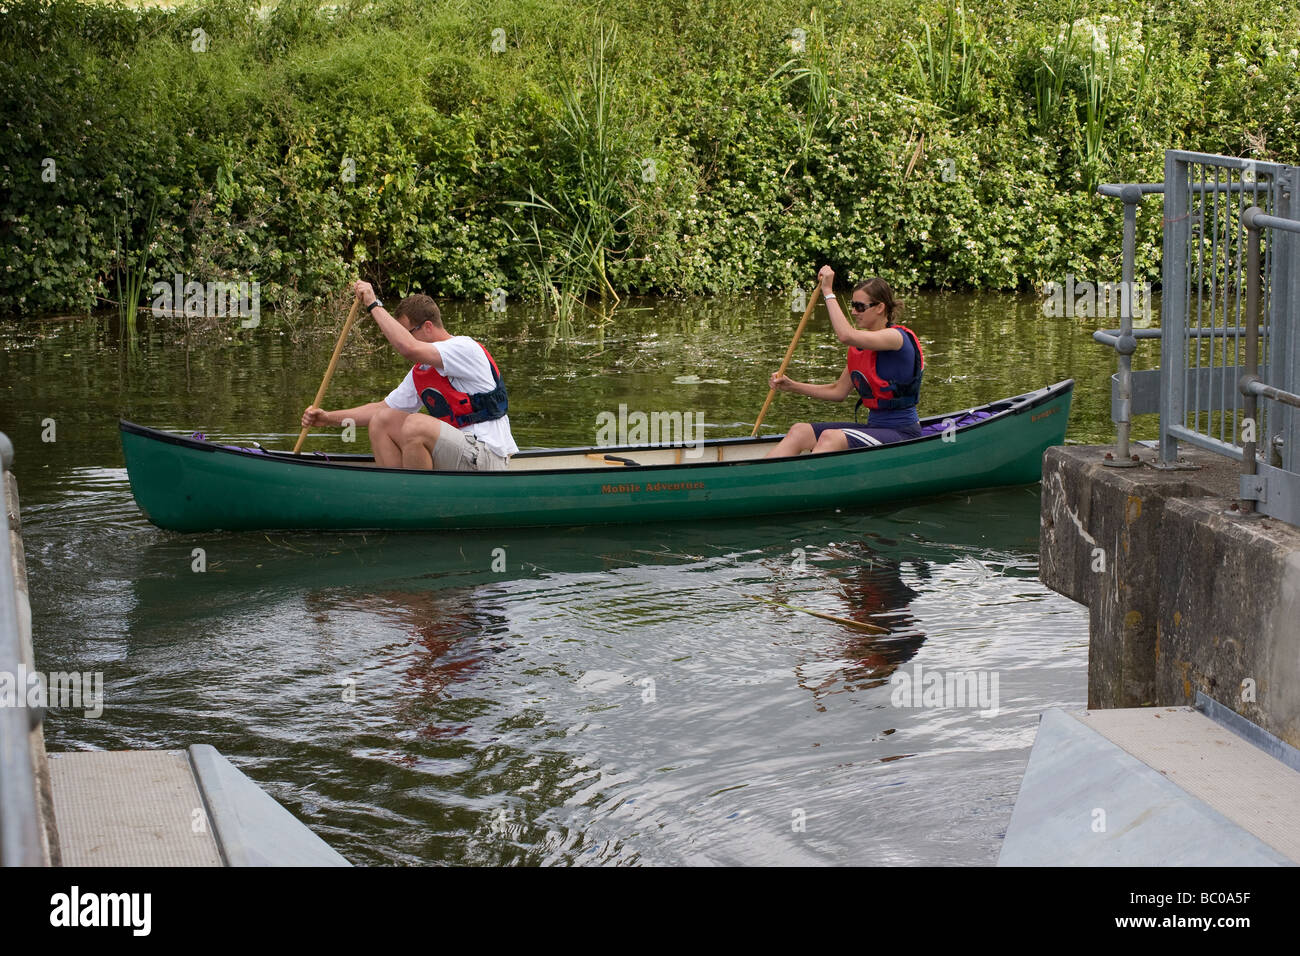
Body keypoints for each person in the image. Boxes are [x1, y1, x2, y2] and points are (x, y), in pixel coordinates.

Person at [301, 281, 518, 470]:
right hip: (458, 457)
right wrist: (328, 418)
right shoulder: (422, 371)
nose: (402, 339)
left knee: (415, 426)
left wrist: (373, 304)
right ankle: (398, 494)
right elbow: (380, 409)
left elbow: (408, 348)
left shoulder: (464, 348)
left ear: (428, 327)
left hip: (488, 458)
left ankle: (419, 499)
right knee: (381, 421)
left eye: (407, 332)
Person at [765, 266, 923, 458]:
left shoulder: (895, 338)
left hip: (902, 433)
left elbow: (845, 335)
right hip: (875, 428)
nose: (854, 312)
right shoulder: (861, 349)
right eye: (852, 305)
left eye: (860, 306)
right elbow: (838, 391)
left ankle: (800, 484)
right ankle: (757, 479)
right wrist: (791, 386)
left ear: (880, 307)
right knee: (799, 431)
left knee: (831, 438)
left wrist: (828, 291)